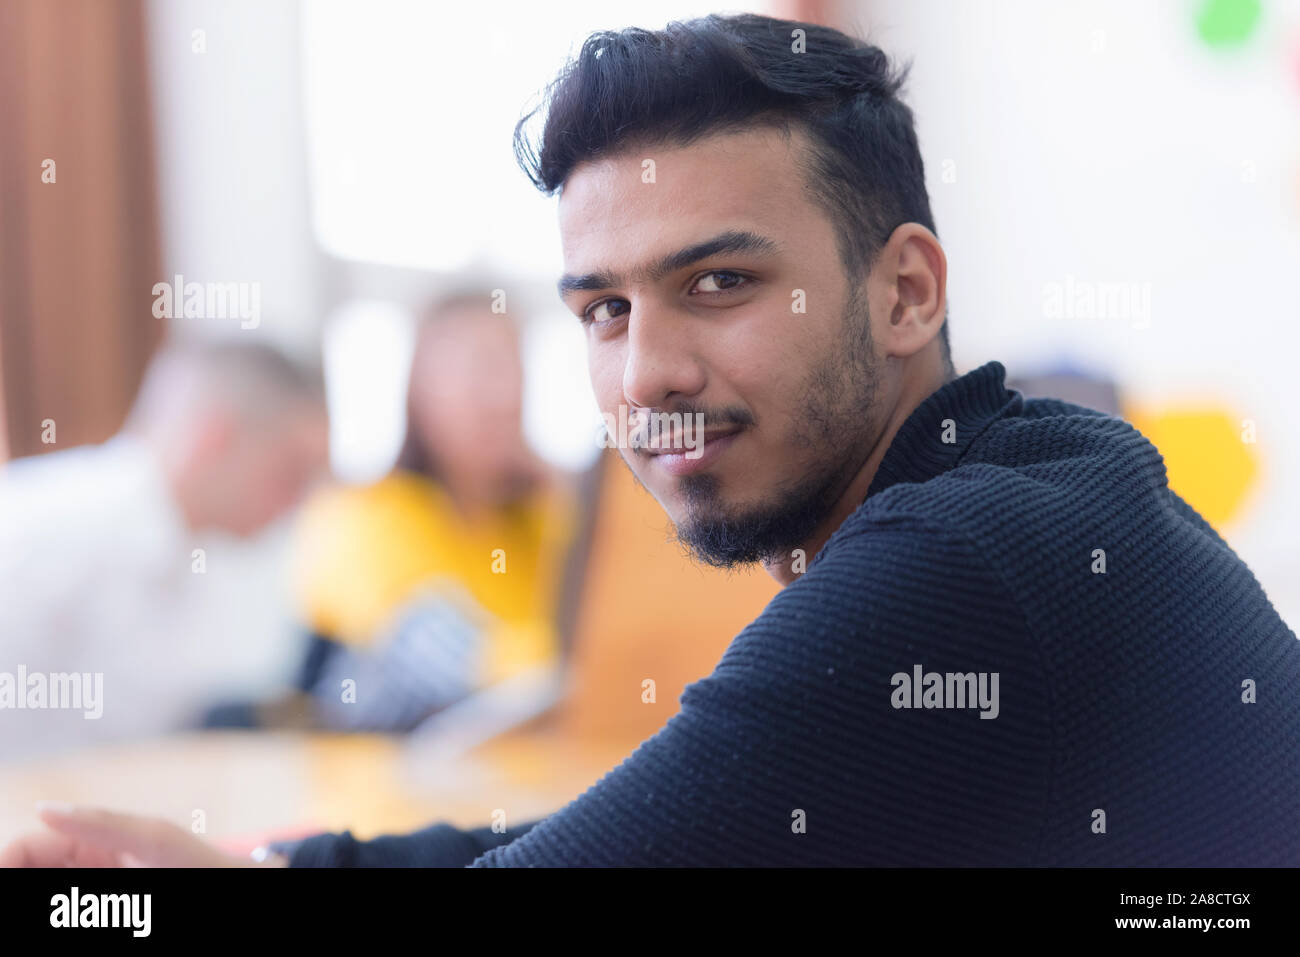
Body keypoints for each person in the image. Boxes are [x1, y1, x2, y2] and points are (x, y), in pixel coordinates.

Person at [4, 13, 1298, 866]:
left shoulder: (966, 557)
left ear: (907, 292)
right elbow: (654, 828)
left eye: (721, 284)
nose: (646, 372)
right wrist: (288, 862)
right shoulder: (1023, 480)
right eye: (603, 309)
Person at [206, 292, 575, 734]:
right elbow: (453, 661)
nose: (503, 395)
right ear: (419, 389)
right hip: (368, 791)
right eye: (480, 370)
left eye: (514, 368)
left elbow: (614, 616)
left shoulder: (541, 518)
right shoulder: (362, 517)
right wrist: (584, 661)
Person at [0, 338, 328, 760]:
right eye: (292, 473)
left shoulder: (189, 553)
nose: (298, 503)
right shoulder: (41, 532)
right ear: (216, 438)